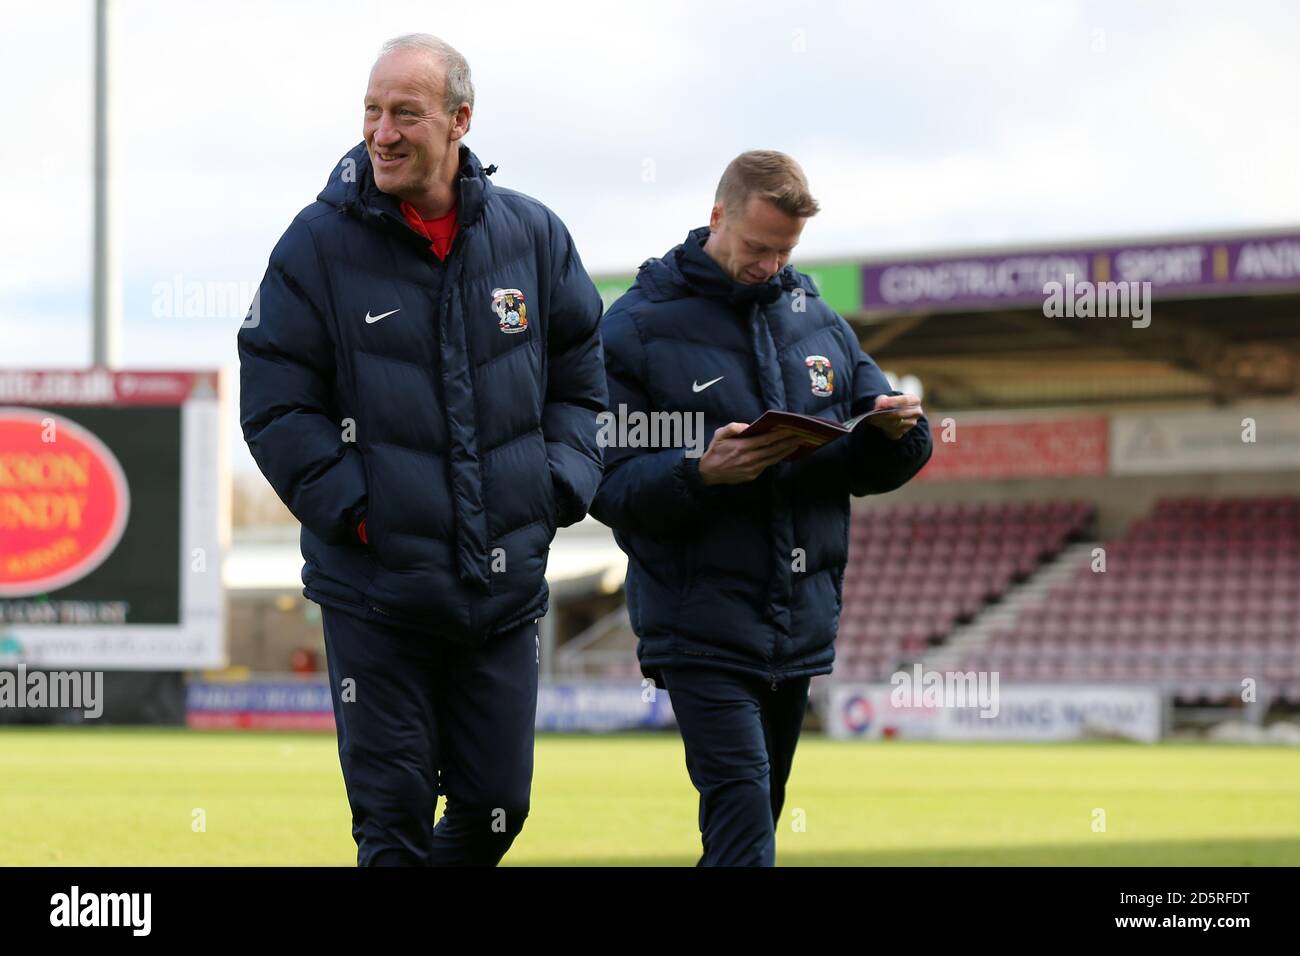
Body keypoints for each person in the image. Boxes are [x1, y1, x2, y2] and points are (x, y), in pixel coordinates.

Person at [237, 33, 606, 866]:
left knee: (499, 811)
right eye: (372, 111)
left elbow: (585, 378)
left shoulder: (535, 238)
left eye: (406, 112)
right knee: (392, 818)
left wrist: (554, 484)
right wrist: (362, 514)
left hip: (503, 588)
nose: (383, 132)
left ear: (460, 121)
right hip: (377, 590)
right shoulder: (315, 245)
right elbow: (273, 398)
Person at [591, 150, 932, 866]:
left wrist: (899, 431)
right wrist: (698, 472)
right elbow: (606, 484)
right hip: (699, 622)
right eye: (756, 247)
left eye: (785, 251)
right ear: (718, 217)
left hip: (796, 622)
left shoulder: (816, 319)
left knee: (754, 822)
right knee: (745, 820)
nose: (770, 265)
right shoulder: (636, 327)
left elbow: (879, 451)